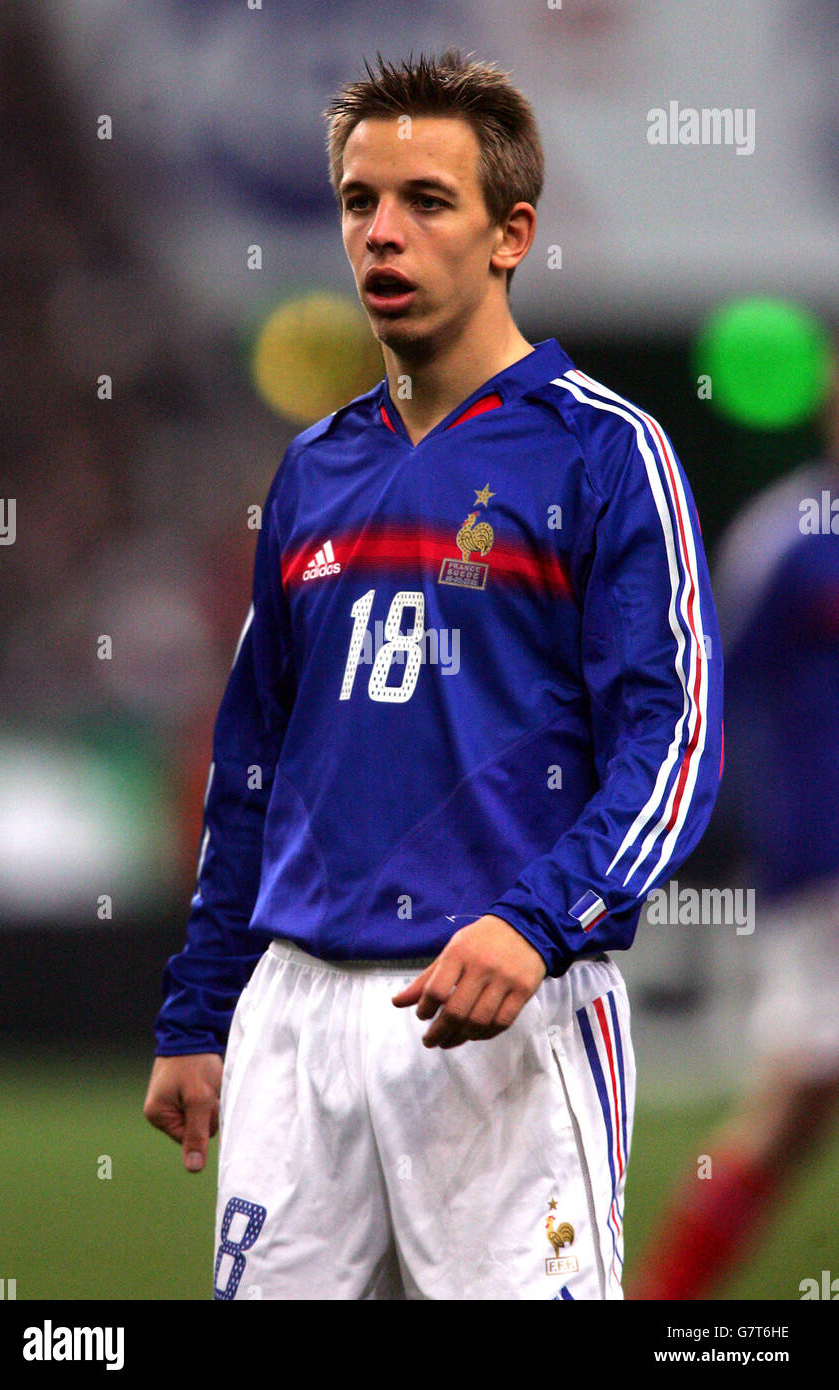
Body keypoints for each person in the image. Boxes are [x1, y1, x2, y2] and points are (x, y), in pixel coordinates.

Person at [143, 48, 724, 1301]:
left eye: (425, 201)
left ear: (510, 231)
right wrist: (200, 1008)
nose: (381, 235)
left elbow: (670, 742)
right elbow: (254, 754)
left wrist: (539, 920)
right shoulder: (313, 470)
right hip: (294, 1020)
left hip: (506, 1008)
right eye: (359, 202)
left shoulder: (605, 453)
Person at [627, 354, 839, 1302]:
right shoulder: (789, 538)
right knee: (793, 1095)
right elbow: (708, 682)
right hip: (827, 865)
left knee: (794, 1099)